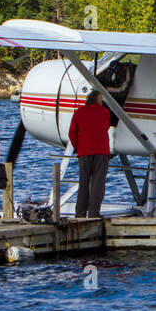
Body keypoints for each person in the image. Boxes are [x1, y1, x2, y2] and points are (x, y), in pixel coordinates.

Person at [68, 89, 112, 219]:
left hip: (84, 151)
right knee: (98, 183)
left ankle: (80, 213)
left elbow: (72, 132)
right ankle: (94, 212)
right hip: (101, 151)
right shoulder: (105, 112)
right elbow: (106, 126)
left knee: (84, 182)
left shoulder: (79, 112)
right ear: (98, 100)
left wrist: (78, 146)